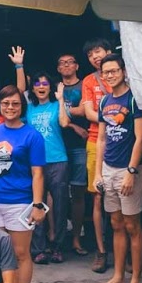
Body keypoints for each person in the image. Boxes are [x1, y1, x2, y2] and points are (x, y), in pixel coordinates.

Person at [92, 54, 142, 283]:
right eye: (106, 72)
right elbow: (102, 138)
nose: (110, 75)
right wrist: (97, 172)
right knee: (115, 224)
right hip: (109, 169)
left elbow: (141, 138)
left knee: (132, 226)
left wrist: (131, 171)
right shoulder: (105, 100)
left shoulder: (136, 100)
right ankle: (117, 277)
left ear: (123, 71)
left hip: (129, 171)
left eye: (114, 71)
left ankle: (135, 281)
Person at [0, 86, 47, 283]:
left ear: (22, 107)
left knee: (20, 254)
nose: (10, 108)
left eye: (15, 104)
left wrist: (38, 204)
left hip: (20, 202)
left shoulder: (32, 135)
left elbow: (38, 174)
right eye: (5, 104)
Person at [72, 38, 114, 272]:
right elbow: (88, 112)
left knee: (122, 198)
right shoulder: (89, 80)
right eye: (90, 54)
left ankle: (123, 250)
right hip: (95, 140)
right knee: (97, 196)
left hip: (123, 142)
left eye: (97, 51)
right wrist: (118, 118)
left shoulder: (125, 75)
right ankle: (101, 251)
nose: (94, 57)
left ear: (109, 51)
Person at [25, 73, 73, 264]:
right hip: (35, 163)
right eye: (37, 83)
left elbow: (64, 123)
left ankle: (57, 247)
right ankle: (38, 248)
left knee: (60, 204)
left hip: (57, 160)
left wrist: (61, 99)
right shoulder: (28, 109)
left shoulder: (55, 105)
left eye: (45, 83)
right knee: (37, 204)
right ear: (33, 89)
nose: (41, 86)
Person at [56, 51, 91, 257]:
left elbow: (87, 111)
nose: (66, 65)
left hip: (79, 147)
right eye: (62, 63)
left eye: (70, 62)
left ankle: (77, 238)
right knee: (56, 194)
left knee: (78, 192)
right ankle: (57, 238)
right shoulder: (55, 89)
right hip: (57, 146)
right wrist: (72, 126)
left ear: (77, 66)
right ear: (58, 69)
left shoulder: (84, 87)